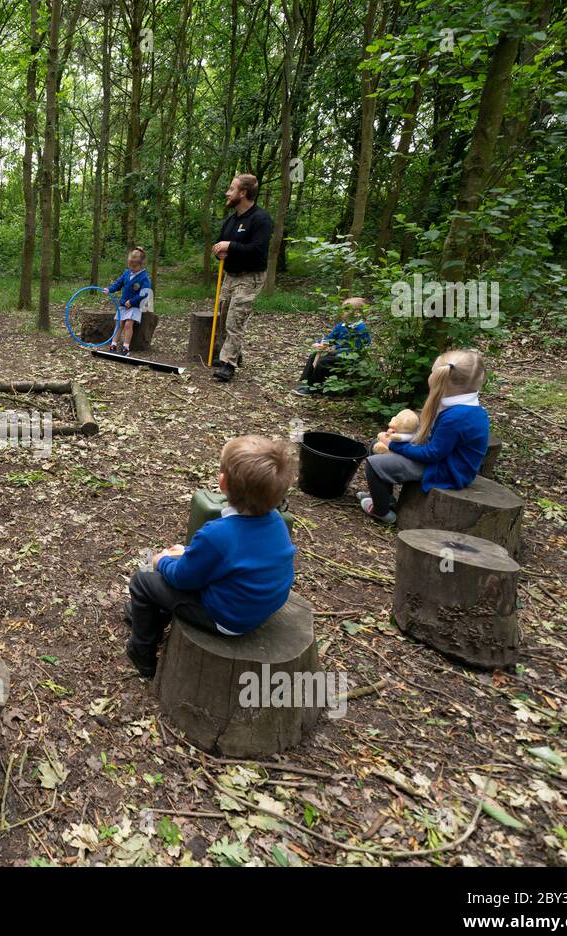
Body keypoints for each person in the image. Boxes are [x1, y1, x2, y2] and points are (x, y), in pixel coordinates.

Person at [124, 435, 297, 678]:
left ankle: (141, 651)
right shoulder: (277, 522)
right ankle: (152, 614)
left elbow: (183, 579)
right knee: (175, 563)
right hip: (259, 606)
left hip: (226, 618)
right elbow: (236, 558)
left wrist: (161, 560)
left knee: (143, 579)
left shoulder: (217, 534)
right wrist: (185, 554)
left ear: (223, 482)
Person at [359, 350, 491, 524]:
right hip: (442, 458)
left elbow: (432, 454)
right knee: (376, 444)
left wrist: (394, 446)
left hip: (448, 470)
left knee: (375, 465)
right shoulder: (462, 403)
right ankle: (384, 497)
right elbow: (437, 441)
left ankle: (381, 511)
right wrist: (402, 437)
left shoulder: (457, 417)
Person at [211, 173, 273, 382]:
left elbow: (258, 249)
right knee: (223, 316)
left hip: (250, 277)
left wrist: (231, 246)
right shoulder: (231, 219)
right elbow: (220, 243)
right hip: (230, 275)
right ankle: (235, 353)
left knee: (235, 320)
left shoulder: (261, 219)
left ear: (243, 193)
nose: (227, 193)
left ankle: (228, 364)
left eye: (231, 189)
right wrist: (219, 250)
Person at [292, 296, 372, 396]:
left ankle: (315, 388)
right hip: (336, 353)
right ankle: (306, 383)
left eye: (347, 310)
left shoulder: (360, 329)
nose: (343, 312)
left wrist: (335, 350)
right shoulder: (341, 325)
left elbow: (356, 349)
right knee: (314, 355)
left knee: (323, 362)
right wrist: (320, 343)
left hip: (349, 357)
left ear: (357, 313)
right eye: (343, 309)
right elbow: (330, 338)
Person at [106, 247, 152, 355]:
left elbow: (145, 293)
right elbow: (118, 284)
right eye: (130, 266)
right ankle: (113, 344)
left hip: (135, 306)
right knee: (119, 323)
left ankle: (126, 348)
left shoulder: (144, 277)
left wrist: (132, 301)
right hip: (123, 304)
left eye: (134, 267)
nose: (131, 268)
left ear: (140, 265)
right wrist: (109, 290)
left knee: (128, 324)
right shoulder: (127, 273)